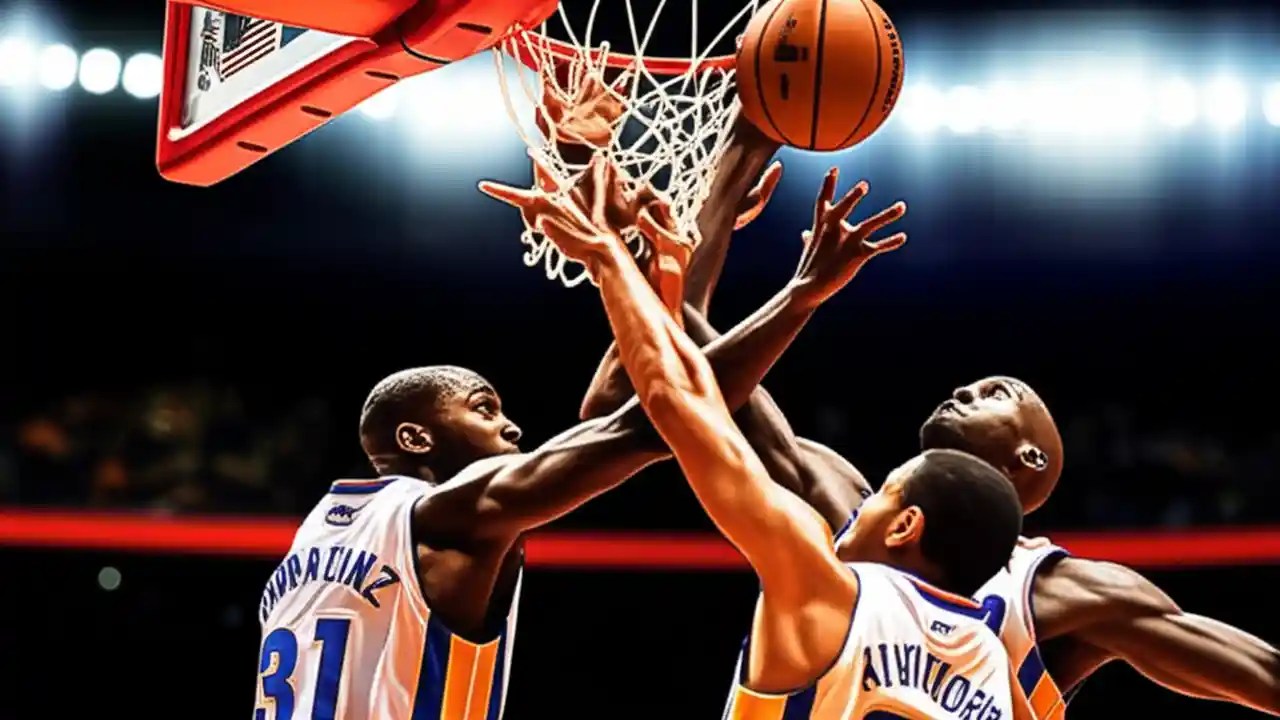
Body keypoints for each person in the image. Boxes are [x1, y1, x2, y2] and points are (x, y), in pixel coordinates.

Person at [572, 130, 1280, 716]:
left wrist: (639, 238)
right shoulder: (849, 505)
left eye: (996, 392)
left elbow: (1259, 672)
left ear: (1030, 460)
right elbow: (638, 395)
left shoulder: (1061, 592)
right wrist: (738, 160)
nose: (964, 388)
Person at [250, 135, 909, 720]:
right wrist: (794, 290)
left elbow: (653, 381)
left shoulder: (316, 533)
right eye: (484, 409)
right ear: (416, 439)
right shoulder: (446, 518)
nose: (512, 428)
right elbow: (660, 415)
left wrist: (673, 245)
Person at [484, 156, 1029, 718]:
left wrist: (609, 255)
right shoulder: (993, 665)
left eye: (880, 495)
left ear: (905, 526)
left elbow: (678, 401)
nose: (858, 506)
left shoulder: (824, 585)